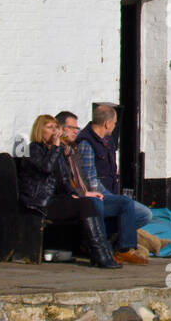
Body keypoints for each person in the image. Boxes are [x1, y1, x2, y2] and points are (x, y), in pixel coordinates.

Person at [17, 115, 121, 268]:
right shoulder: (32, 149)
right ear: (40, 130)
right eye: (49, 128)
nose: (54, 131)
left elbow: (65, 179)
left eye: (55, 127)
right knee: (86, 206)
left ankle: (102, 254)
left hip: (56, 199)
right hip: (39, 202)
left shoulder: (56, 150)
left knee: (88, 203)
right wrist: (56, 146)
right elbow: (46, 168)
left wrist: (82, 193)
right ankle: (100, 255)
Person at [56, 110, 144, 264]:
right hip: (71, 198)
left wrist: (88, 192)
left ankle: (123, 249)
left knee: (126, 203)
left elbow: (80, 179)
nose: (76, 131)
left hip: (84, 194)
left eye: (77, 128)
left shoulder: (72, 151)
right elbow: (63, 183)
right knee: (96, 203)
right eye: (72, 128)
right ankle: (100, 250)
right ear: (61, 129)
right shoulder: (60, 152)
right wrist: (84, 193)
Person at [74, 104, 153, 261]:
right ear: (107, 123)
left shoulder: (107, 140)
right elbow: (90, 180)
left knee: (144, 214)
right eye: (115, 122)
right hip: (96, 196)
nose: (114, 125)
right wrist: (112, 197)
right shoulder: (86, 143)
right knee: (126, 205)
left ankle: (108, 241)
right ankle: (125, 249)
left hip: (110, 192)